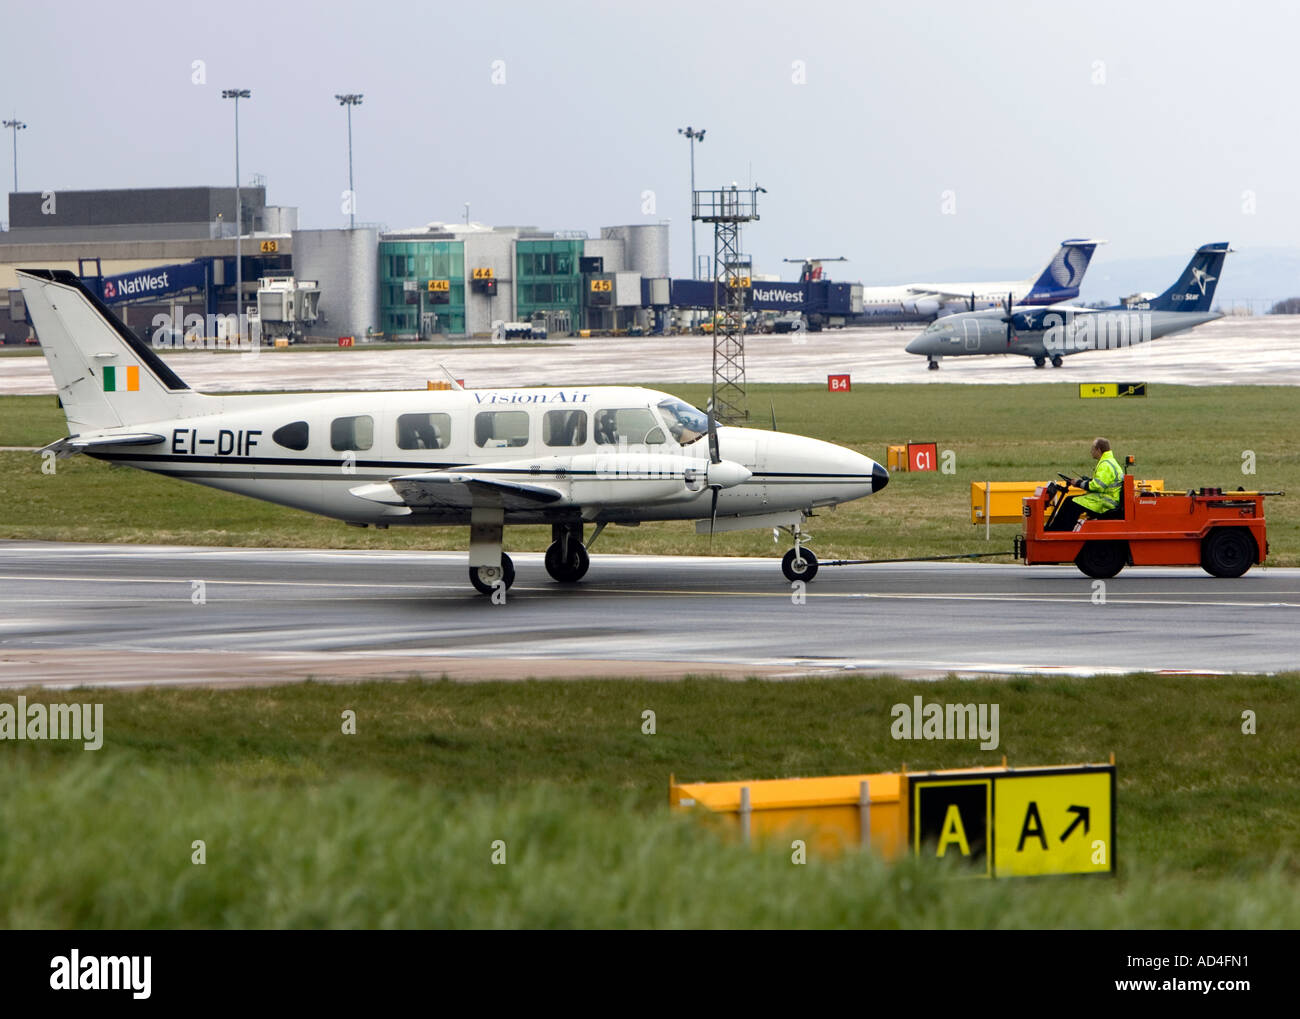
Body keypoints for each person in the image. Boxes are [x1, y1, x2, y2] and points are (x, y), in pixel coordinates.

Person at [1047, 437, 1125, 531]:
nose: (1091, 451)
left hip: (1106, 502)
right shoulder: (1109, 462)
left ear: (1098, 450)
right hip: (1105, 498)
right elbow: (1103, 483)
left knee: (1071, 503)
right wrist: (1086, 481)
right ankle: (1057, 530)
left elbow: (1097, 486)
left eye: (1092, 448)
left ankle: (1059, 532)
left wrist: (1078, 483)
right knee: (1070, 500)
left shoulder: (1105, 465)